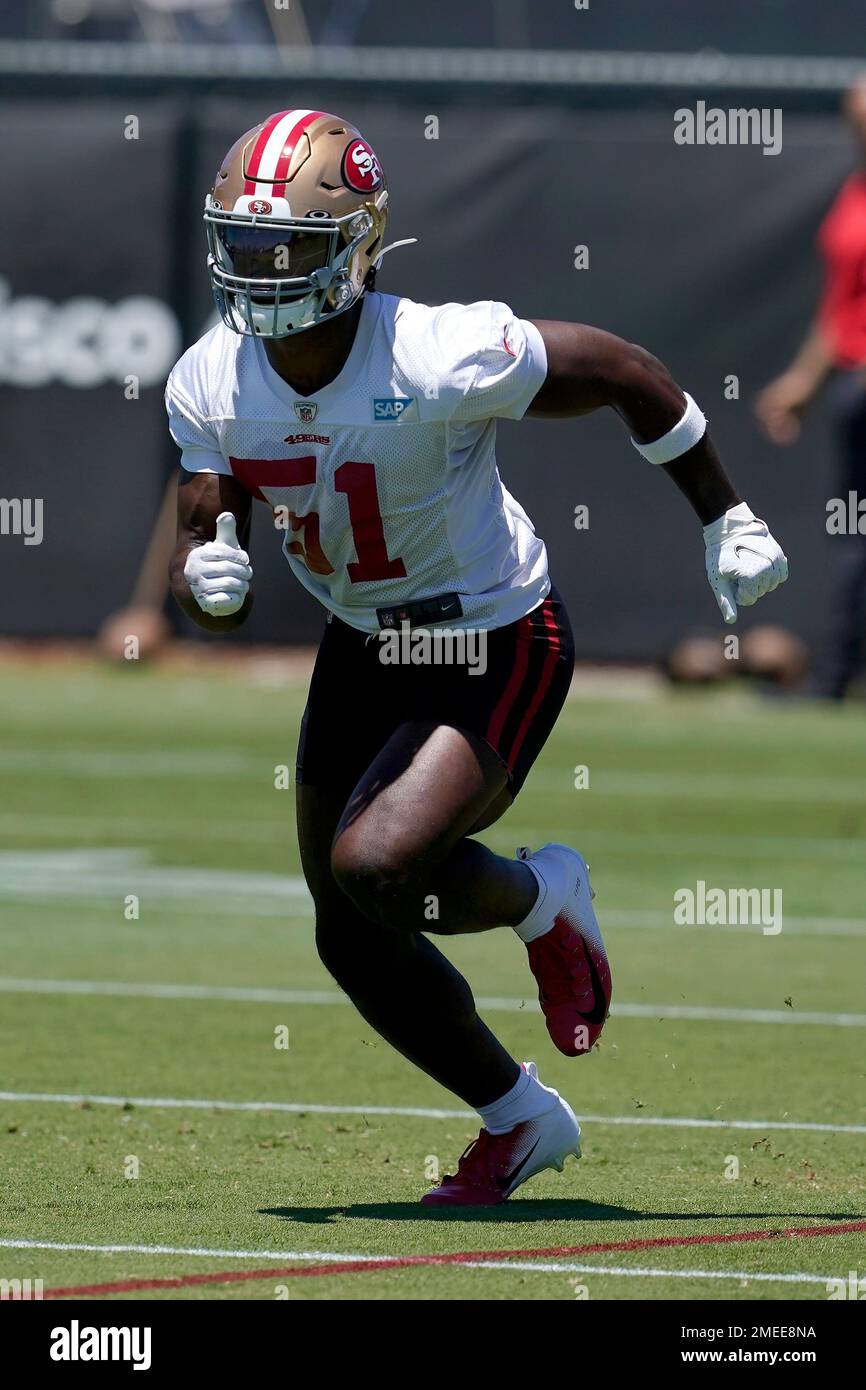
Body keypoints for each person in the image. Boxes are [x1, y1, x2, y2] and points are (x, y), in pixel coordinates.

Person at [166, 109, 788, 1205]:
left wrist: (723, 517)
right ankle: (519, 1117)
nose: (262, 275)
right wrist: (207, 572)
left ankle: (545, 894)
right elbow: (209, 537)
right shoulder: (208, 378)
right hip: (363, 639)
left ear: (356, 248)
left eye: (289, 251)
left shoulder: (438, 350)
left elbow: (626, 371)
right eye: (246, 245)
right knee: (345, 929)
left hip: (487, 633)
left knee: (376, 869)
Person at [756, 78, 866, 699]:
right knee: (855, 537)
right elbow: (840, 307)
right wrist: (802, 379)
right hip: (856, 384)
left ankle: (832, 678)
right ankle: (835, 677)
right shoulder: (854, 195)